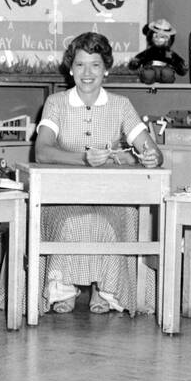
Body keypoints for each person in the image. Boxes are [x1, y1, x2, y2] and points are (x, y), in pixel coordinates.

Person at [30, 31, 164, 314]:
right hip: (62, 197)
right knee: (70, 223)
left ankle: (105, 289)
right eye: (80, 65)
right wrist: (83, 159)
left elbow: (151, 149)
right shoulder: (56, 103)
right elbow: (41, 151)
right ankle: (64, 288)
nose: (87, 73)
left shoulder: (121, 105)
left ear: (106, 70)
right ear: (70, 68)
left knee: (108, 222)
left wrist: (152, 157)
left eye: (95, 65)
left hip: (112, 197)